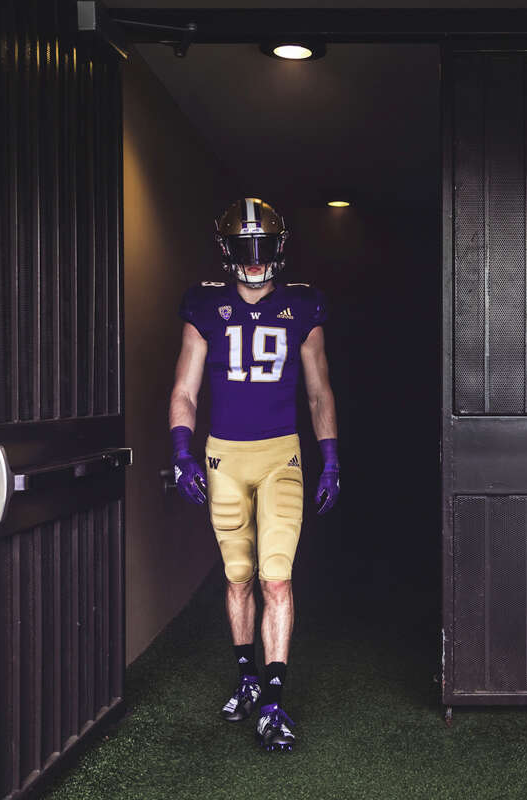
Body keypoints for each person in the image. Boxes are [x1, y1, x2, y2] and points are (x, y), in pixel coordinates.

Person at [168, 197, 339, 752]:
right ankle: (246, 677)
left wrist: (330, 454)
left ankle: (273, 698)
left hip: (280, 455)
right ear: (228, 252)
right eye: (245, 249)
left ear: (279, 250)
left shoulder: (304, 305)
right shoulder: (203, 304)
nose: (256, 260)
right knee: (238, 576)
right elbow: (185, 389)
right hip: (222, 454)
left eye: (263, 247)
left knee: (276, 577)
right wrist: (181, 451)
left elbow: (318, 390)